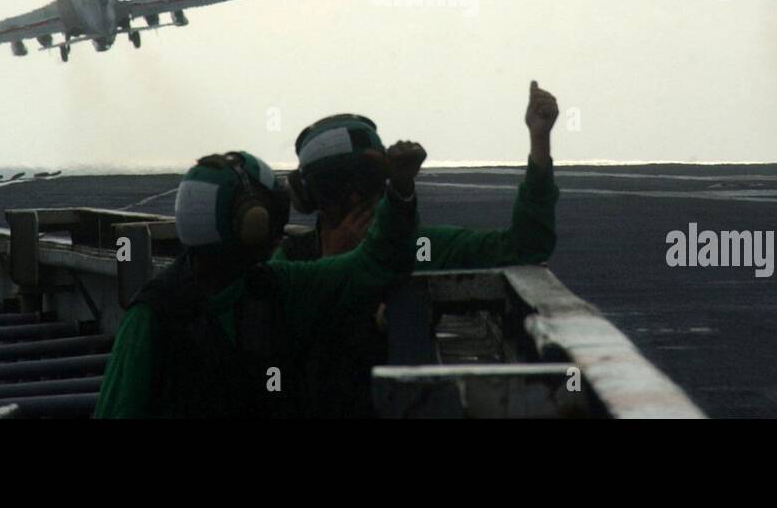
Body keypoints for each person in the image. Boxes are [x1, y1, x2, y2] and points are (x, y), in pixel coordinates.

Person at [278, 80, 560, 416]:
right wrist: (333, 266)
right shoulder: (292, 261)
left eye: (365, 185)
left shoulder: (421, 247)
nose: (355, 200)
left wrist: (539, 141)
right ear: (311, 198)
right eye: (336, 188)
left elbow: (524, 247)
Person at [94, 149, 418, 418]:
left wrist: (400, 194)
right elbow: (375, 262)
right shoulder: (277, 289)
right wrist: (398, 193)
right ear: (253, 224)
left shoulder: (155, 313)